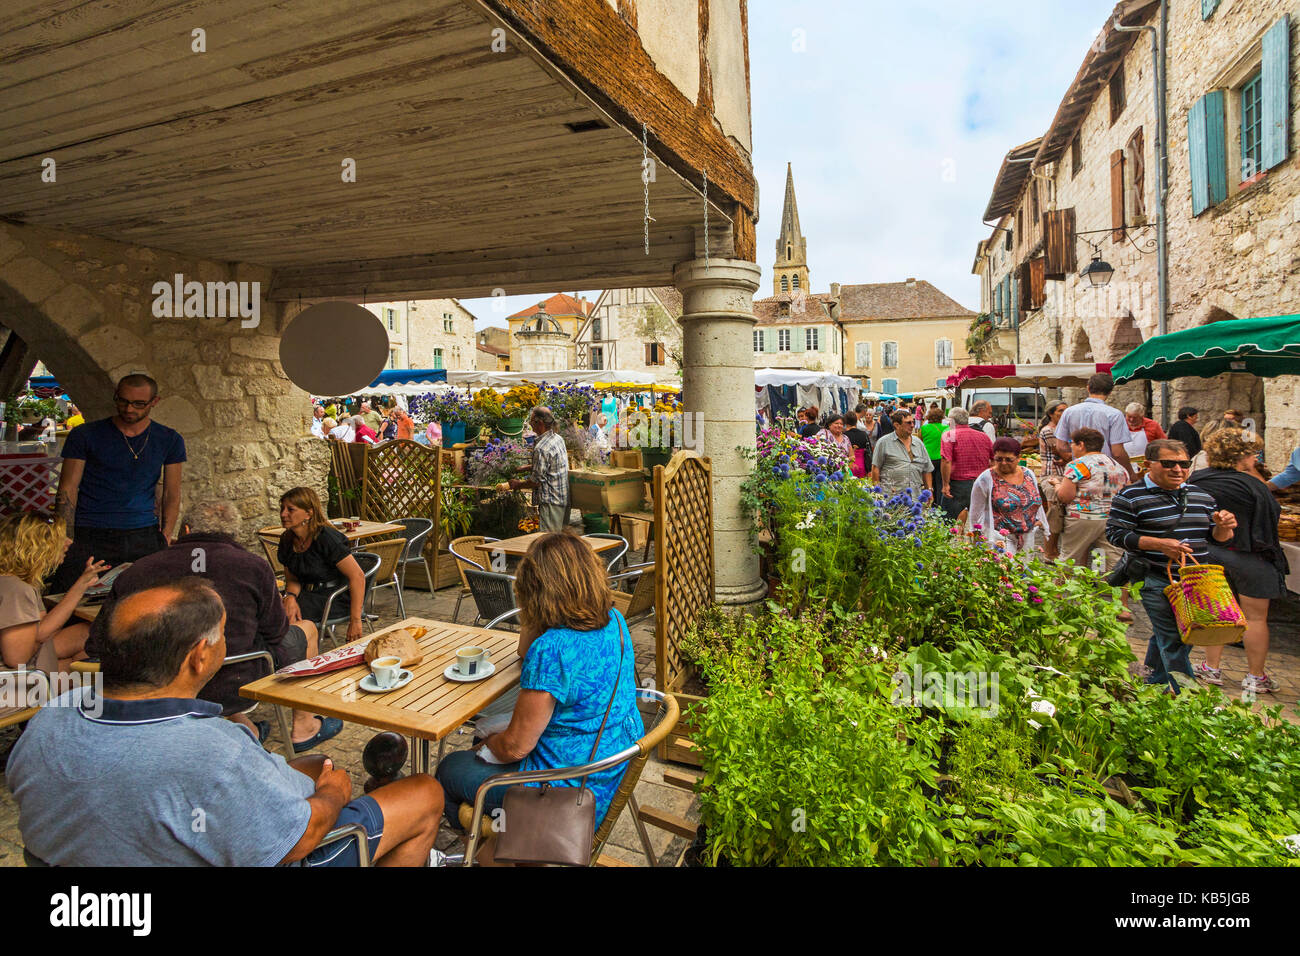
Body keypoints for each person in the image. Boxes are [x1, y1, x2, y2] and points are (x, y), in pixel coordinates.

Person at [7, 579, 442, 866]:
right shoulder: (211, 749)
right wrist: (331, 794)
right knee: (424, 791)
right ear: (199, 656)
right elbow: (301, 838)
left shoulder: (51, 720)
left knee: (315, 763)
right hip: (290, 844)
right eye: (222, 633)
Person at [435, 533, 640, 859]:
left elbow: (516, 745)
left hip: (562, 793)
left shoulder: (554, 648)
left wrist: (487, 746)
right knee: (487, 731)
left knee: (450, 767)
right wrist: (539, 614)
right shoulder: (614, 620)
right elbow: (523, 649)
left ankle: (487, 850)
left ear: (537, 590)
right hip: (609, 769)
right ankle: (500, 848)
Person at [91, 501, 342, 752]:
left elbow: (97, 642)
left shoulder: (138, 570)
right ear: (233, 534)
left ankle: (248, 729)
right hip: (237, 679)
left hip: (152, 683)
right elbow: (276, 632)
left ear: (186, 530)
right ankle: (304, 727)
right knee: (306, 628)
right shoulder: (252, 566)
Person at [1105, 439, 1237, 693]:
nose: (1178, 469)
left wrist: (1223, 527)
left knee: (1180, 636)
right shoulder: (1131, 495)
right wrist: (1158, 544)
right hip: (1154, 577)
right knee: (1174, 638)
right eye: (1168, 464)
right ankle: (1189, 697)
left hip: (1195, 581)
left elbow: (1216, 538)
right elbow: (1115, 535)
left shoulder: (1202, 496)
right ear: (1147, 465)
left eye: (1183, 464)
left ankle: (1152, 684)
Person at [48, 373, 186, 594]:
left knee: (146, 599)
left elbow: (172, 491)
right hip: (91, 531)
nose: (129, 409)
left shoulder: (169, 439)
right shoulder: (85, 435)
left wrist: (166, 534)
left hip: (143, 533)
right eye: (123, 401)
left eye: (139, 404)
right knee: (70, 594)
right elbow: (67, 488)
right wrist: (64, 534)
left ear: (154, 402)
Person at [1190, 430, 1286, 697]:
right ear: (1241, 456)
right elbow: (1272, 518)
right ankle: (1255, 676)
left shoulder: (1197, 479)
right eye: (1253, 453)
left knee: (1218, 613)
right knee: (1255, 618)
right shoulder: (1254, 485)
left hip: (1211, 552)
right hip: (1251, 556)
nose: (1256, 458)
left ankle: (1212, 667)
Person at [0, 514, 107, 670]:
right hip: (19, 683)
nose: (69, 542)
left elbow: (41, 632)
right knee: (102, 670)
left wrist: (82, 584)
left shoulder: (13, 582)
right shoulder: (17, 591)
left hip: (26, 668)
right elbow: (17, 660)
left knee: (92, 633)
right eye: (59, 538)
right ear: (37, 546)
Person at [278, 487, 368, 644]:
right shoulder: (287, 540)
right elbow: (292, 579)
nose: (283, 514)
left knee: (280, 616)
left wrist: (356, 621)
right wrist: (290, 597)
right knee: (270, 608)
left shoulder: (326, 538)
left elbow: (357, 576)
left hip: (334, 597)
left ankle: (293, 655)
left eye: (290, 509)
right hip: (305, 594)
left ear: (309, 513)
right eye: (282, 508)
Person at [1056, 427, 1130, 583]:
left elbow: (1065, 496)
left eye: (1072, 443)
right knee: (1114, 559)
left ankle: (1056, 594)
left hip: (1083, 517)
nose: (1071, 447)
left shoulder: (1078, 465)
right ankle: (1119, 599)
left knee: (1069, 556)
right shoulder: (1118, 466)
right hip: (1111, 519)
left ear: (1081, 444)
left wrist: (1056, 486)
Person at [968, 438, 1047, 555]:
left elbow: (1036, 499)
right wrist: (977, 540)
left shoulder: (1028, 474)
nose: (1003, 463)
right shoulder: (985, 479)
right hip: (999, 538)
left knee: (1024, 571)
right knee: (1004, 570)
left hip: (1027, 537)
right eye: (999, 459)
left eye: (1009, 459)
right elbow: (975, 513)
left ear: (1018, 458)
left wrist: (1039, 520)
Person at [499, 406, 569, 533]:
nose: (530, 425)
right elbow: (550, 466)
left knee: (549, 542)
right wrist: (524, 468)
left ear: (540, 423)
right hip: (562, 497)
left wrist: (517, 484)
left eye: (531, 422)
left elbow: (536, 481)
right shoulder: (558, 439)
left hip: (550, 501)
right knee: (558, 540)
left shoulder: (541, 448)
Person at [1054, 373, 1134, 479]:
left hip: (1079, 471)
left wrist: (1076, 458)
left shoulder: (1069, 412)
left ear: (1088, 388)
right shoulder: (1114, 414)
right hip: (1106, 473)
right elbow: (1117, 452)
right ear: (1110, 391)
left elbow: (1061, 446)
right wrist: (1130, 473)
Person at [940, 407, 993, 520]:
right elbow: (994, 460)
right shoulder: (983, 436)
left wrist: (945, 484)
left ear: (952, 421)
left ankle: (956, 536)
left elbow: (946, 461)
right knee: (979, 521)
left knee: (949, 521)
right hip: (981, 482)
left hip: (958, 484)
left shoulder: (948, 435)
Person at [871, 410, 933, 496]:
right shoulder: (883, 442)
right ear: (897, 425)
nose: (912, 425)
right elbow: (875, 468)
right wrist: (877, 494)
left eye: (913, 422)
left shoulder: (918, 443)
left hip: (916, 498)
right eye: (908, 423)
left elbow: (927, 469)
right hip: (892, 498)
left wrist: (929, 490)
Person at [919, 407, 948, 507]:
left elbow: (920, 441)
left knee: (929, 484)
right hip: (941, 458)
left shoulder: (924, 428)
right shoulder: (946, 428)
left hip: (928, 458)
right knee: (940, 483)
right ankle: (939, 504)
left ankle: (930, 503)